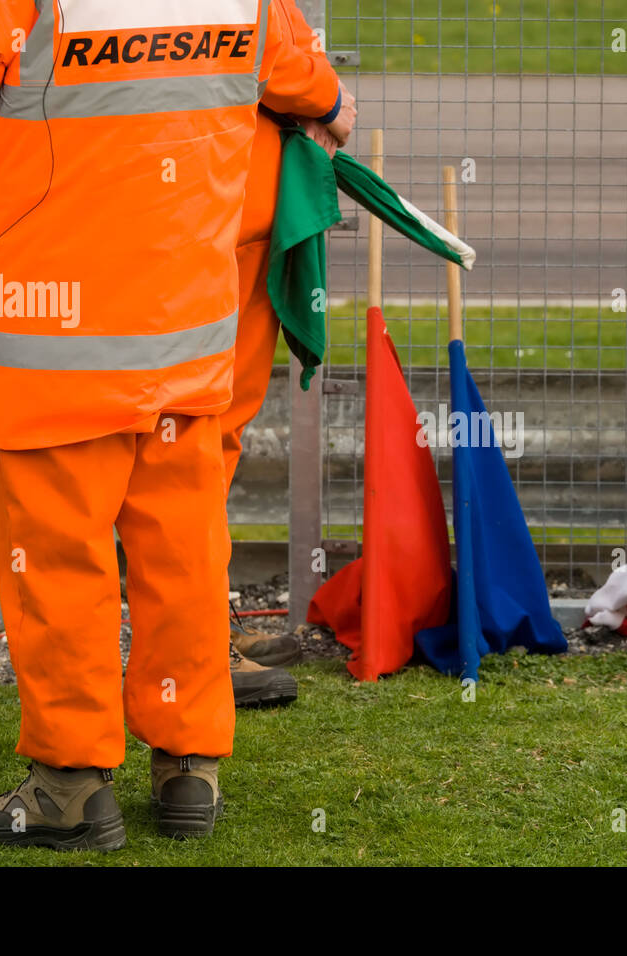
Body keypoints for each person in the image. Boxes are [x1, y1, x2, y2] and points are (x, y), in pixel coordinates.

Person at [0, 0, 354, 849]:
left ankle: (70, 784)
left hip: (51, 339)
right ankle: (188, 769)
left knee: (58, 557)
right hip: (184, 331)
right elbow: (312, 88)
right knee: (183, 548)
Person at [221, 0, 356, 708]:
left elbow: (279, 42)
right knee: (195, 443)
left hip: (223, 234)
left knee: (209, 438)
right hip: (212, 236)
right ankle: (190, 654)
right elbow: (262, 51)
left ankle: (197, 634)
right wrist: (327, 98)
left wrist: (312, 93)